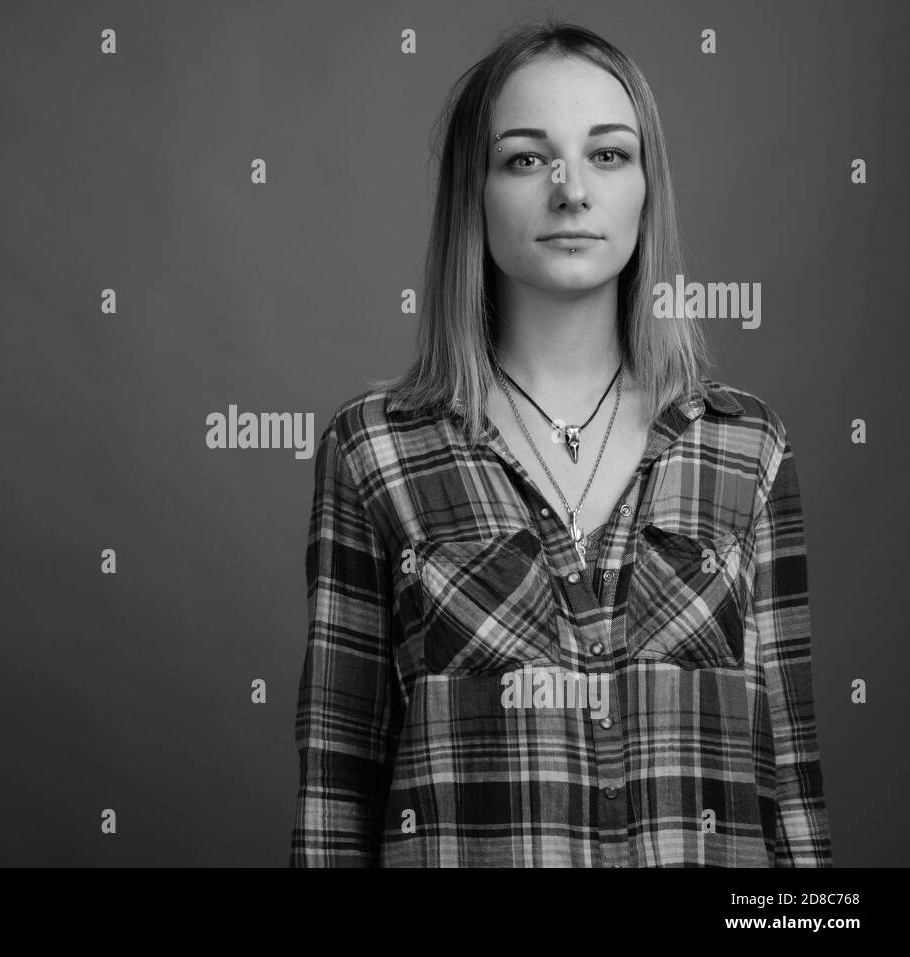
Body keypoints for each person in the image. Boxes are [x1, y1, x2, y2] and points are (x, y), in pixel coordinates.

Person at [289, 19, 833, 867]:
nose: (571, 190)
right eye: (526, 158)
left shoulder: (746, 447)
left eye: (608, 154)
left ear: (648, 188)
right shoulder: (374, 450)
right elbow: (334, 801)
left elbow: (792, 801)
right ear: (475, 191)